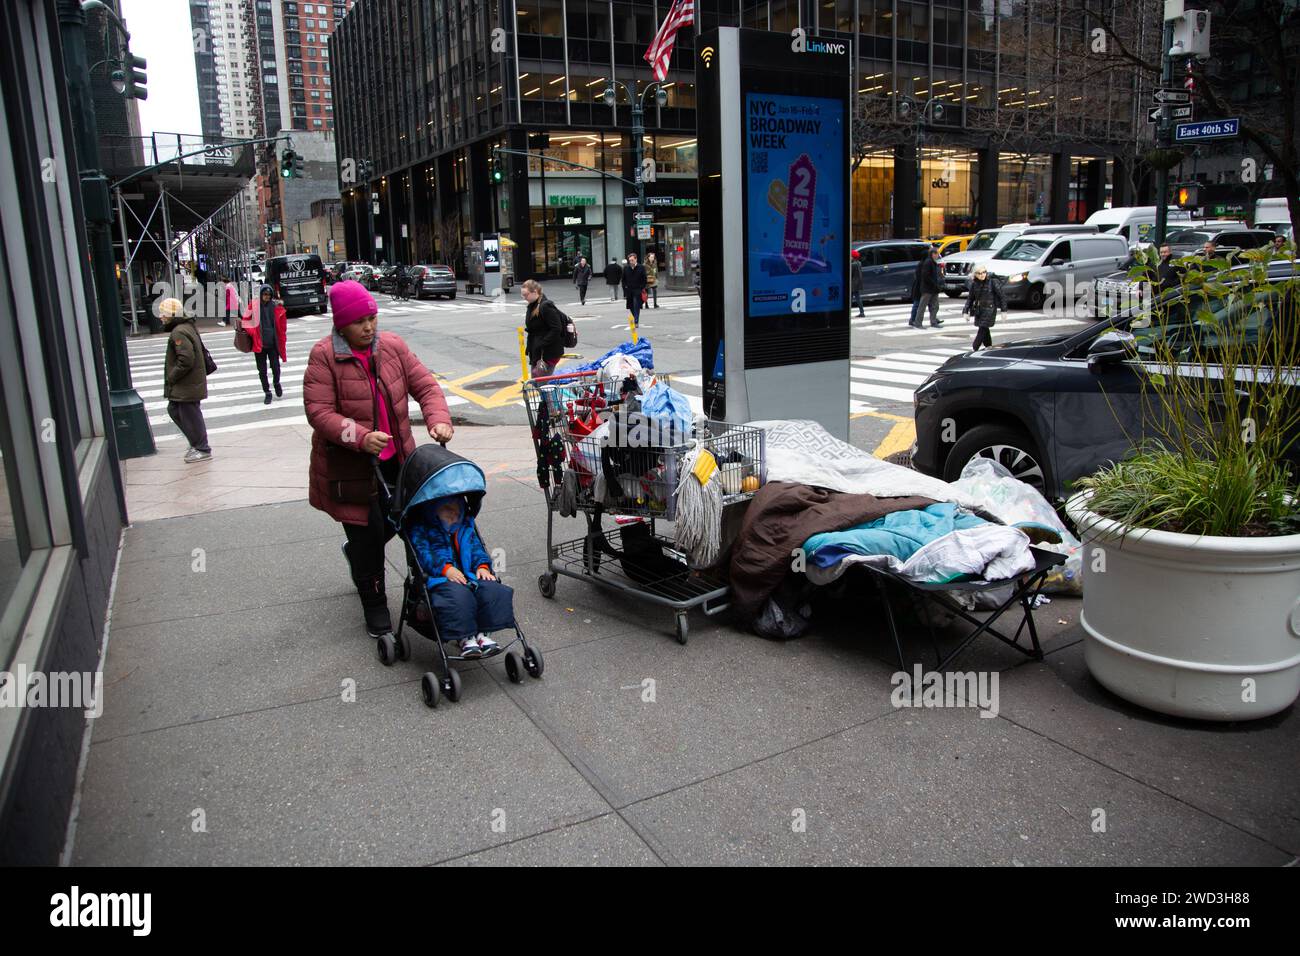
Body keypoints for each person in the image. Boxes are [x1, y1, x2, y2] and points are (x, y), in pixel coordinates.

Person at [303, 279, 454, 639]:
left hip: (396, 458)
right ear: (341, 324)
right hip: (351, 467)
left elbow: (426, 386)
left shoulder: (392, 347)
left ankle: (376, 565)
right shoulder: (324, 355)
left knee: (406, 523)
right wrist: (358, 437)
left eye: (372, 318)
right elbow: (318, 412)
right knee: (368, 537)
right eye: (359, 322)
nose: (369, 327)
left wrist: (439, 420)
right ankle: (374, 604)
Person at [408, 494, 515, 659]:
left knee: (493, 589)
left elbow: (476, 549)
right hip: (441, 579)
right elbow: (424, 554)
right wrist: (446, 569)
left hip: (469, 576)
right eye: (448, 510)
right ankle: (465, 637)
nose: (454, 515)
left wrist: (482, 567)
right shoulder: (423, 529)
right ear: (433, 511)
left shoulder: (464, 527)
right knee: (458, 597)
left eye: (457, 511)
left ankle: (482, 633)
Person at [159, 297, 212, 463]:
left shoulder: (179, 331)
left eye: (163, 313)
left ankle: (202, 447)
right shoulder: (186, 327)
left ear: (171, 315)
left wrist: (171, 377)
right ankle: (196, 443)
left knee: (190, 414)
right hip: (190, 382)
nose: (160, 316)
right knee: (175, 410)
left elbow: (186, 359)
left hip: (187, 383)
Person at [241, 284, 287, 405]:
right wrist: (254, 333)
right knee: (262, 371)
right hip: (259, 344)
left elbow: (282, 326)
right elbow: (245, 321)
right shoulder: (254, 305)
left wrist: (282, 337)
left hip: (273, 344)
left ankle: (276, 383)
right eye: (265, 294)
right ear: (261, 294)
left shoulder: (276, 306)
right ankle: (267, 392)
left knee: (276, 368)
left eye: (269, 295)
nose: (267, 296)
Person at [523, 279, 565, 378]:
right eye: (523, 295)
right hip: (538, 352)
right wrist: (531, 347)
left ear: (535, 292)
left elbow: (556, 328)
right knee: (538, 384)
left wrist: (541, 343)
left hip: (548, 353)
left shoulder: (545, 306)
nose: (524, 298)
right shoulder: (532, 305)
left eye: (526, 295)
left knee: (541, 384)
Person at [964, 266, 1005, 352]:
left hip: (990, 309)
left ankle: (974, 348)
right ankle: (988, 346)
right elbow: (970, 298)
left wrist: (1004, 310)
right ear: (975, 274)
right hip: (979, 310)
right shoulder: (974, 284)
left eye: (984, 272)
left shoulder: (992, 282)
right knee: (984, 329)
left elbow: (1001, 296)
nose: (982, 275)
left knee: (982, 328)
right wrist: (965, 311)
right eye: (979, 273)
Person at [909, 246, 943, 328]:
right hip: (927, 289)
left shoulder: (932, 262)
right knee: (922, 306)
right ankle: (918, 323)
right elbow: (926, 276)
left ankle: (933, 322)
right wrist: (934, 284)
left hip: (933, 289)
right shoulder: (928, 262)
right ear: (932, 254)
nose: (938, 255)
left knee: (935, 306)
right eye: (936, 253)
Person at [623, 251, 648, 327]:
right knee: (630, 306)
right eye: (630, 260)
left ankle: (636, 321)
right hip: (629, 289)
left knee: (636, 305)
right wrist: (625, 288)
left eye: (632, 260)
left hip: (638, 289)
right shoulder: (626, 268)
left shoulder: (641, 267)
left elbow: (644, 278)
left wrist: (642, 287)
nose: (631, 262)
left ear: (636, 259)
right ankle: (635, 317)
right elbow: (623, 279)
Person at [850, 249, 864, 317]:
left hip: (853, 284)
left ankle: (862, 313)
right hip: (858, 282)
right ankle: (862, 312)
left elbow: (850, 274)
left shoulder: (853, 265)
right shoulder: (859, 263)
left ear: (853, 257)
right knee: (856, 298)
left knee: (853, 298)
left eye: (851, 256)